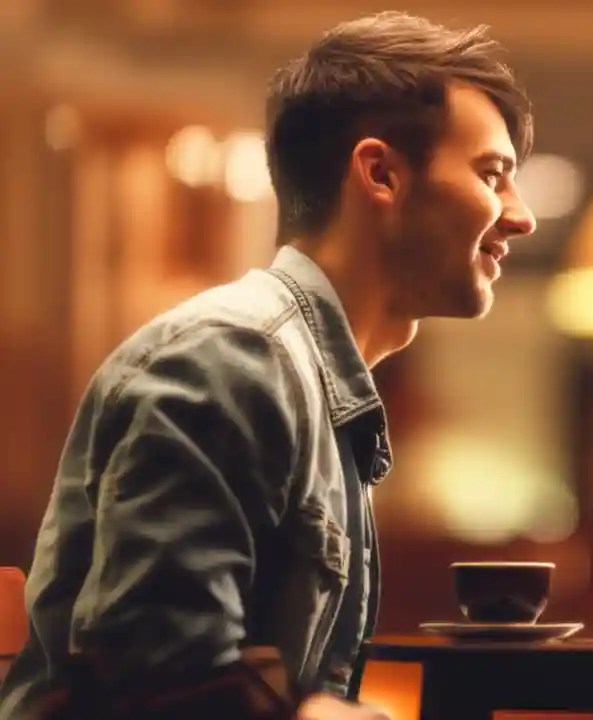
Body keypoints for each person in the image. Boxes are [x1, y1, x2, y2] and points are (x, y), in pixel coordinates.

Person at [0, 11, 535, 719]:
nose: (519, 215)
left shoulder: (307, 378)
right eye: (492, 174)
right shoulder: (232, 359)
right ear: (380, 173)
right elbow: (159, 672)